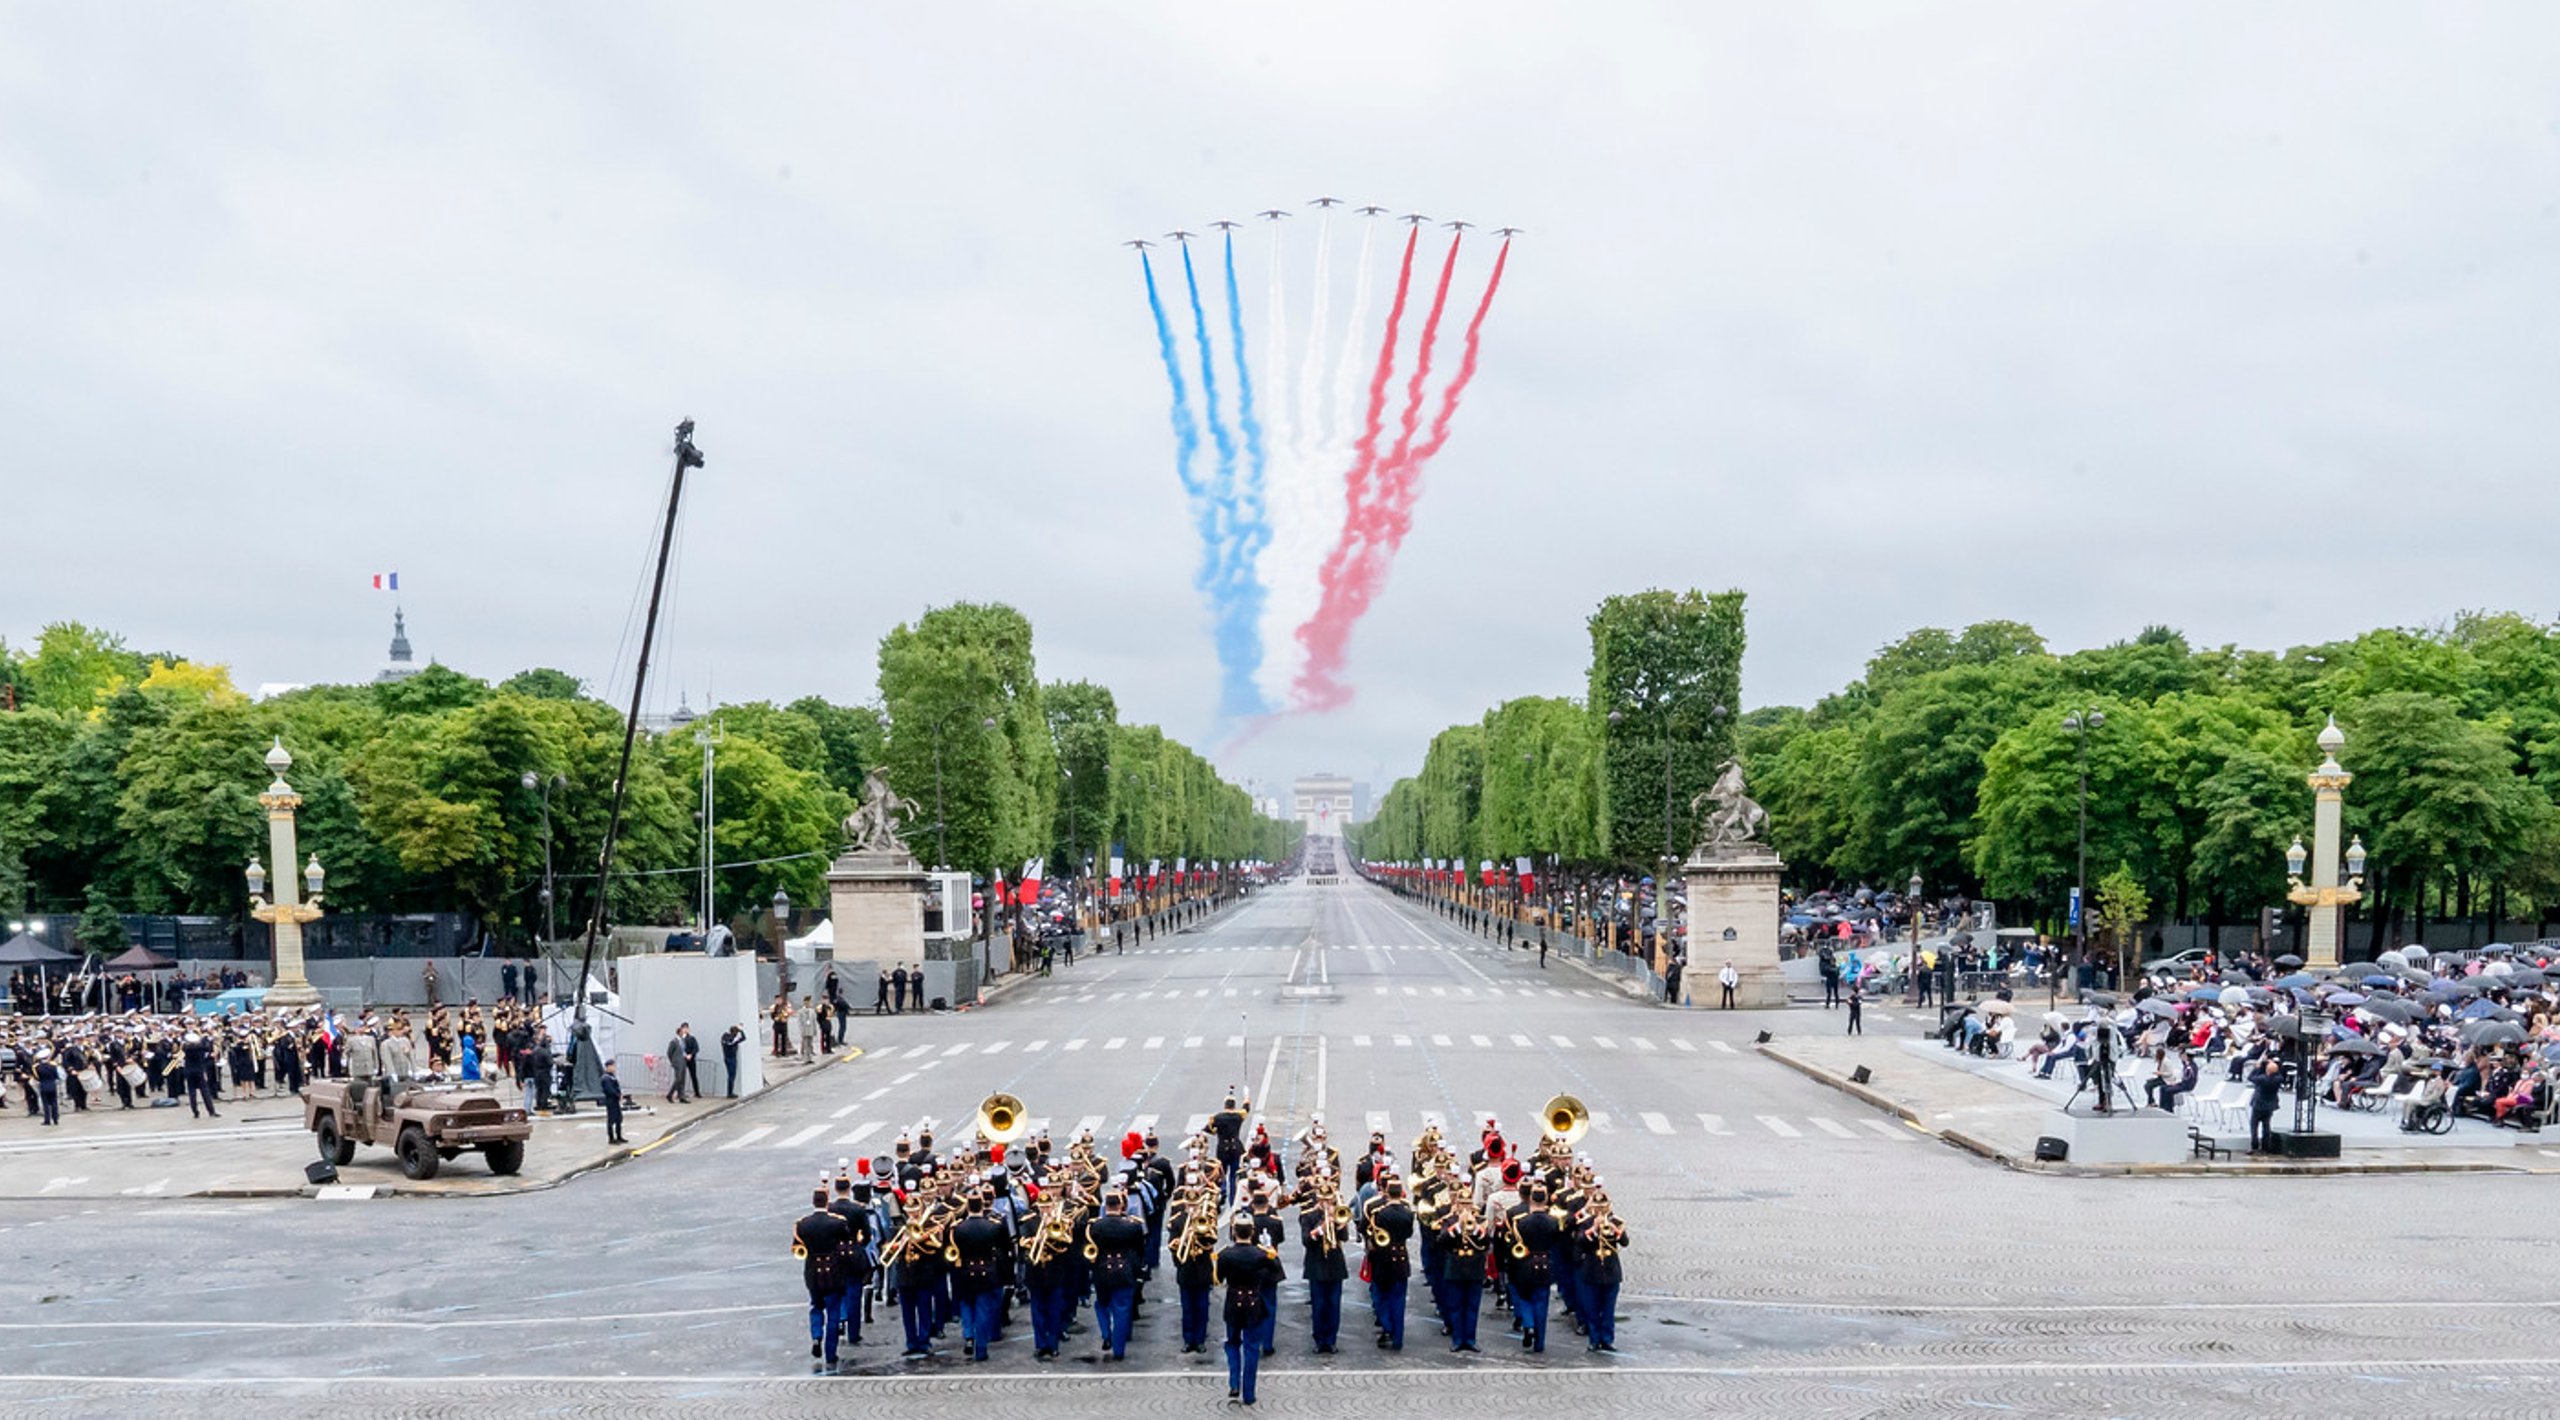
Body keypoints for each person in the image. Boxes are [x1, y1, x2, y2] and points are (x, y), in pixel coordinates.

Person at [1215, 1213, 1282, 1406]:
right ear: (1252, 1232)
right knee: (1252, 1347)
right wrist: (1269, 1251)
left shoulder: (1226, 1254)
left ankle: (1234, 1381)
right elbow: (1275, 1269)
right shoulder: (1260, 1254)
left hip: (1233, 1300)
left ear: (1234, 1231)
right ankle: (1249, 1392)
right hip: (1254, 1300)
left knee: (1232, 1343)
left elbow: (1218, 1278)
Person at [794, 1182, 854, 1372]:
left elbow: (796, 1246)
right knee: (834, 1313)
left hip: (812, 1271)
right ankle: (830, 1352)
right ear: (827, 1202)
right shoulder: (837, 1222)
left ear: (813, 1202)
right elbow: (847, 1240)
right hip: (833, 1272)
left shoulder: (803, 1224)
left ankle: (816, 1336)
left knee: (816, 1307)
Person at [949, 1191, 1009, 1362]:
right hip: (987, 1271)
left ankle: (968, 1335)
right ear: (983, 1206)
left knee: (966, 1306)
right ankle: (981, 1348)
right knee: (983, 1310)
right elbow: (1002, 1249)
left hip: (965, 1272)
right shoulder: (993, 1226)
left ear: (967, 1206)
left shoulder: (958, 1228)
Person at [1088, 1188, 1147, 1361]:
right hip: (1124, 1271)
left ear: (1105, 1206)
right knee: (1122, 1311)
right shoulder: (1133, 1226)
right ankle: (1119, 1349)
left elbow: (1090, 1249)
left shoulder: (1096, 1225)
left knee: (1101, 1305)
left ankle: (1106, 1333)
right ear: (1121, 1205)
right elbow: (1139, 1250)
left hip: (1102, 1270)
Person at [1363, 1174, 1415, 1350]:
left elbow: (1371, 1234)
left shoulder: (1380, 1213)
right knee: (1398, 1300)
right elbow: (1408, 1234)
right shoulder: (1408, 1213)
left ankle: (1387, 1328)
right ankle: (1398, 1338)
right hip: (1401, 1258)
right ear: (1401, 1193)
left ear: (1386, 1192)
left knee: (1381, 1297)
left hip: (1383, 1260)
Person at [2247, 1054, 2284, 1154]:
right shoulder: (2278, 1079)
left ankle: (2254, 1145)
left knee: (2254, 1126)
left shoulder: (2262, 1079)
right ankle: (2265, 1146)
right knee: (2266, 1126)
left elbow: (2251, 1077)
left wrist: (2258, 1067)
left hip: (2258, 1104)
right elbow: (2278, 1072)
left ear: (2267, 1071)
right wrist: (2271, 1065)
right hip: (2270, 1105)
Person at [600, 1059, 627, 1145]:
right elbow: (609, 1090)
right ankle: (611, 1138)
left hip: (615, 1100)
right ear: (608, 1066)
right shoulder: (606, 1078)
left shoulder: (612, 1076)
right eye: (613, 1066)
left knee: (618, 1119)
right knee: (611, 1120)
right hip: (610, 1100)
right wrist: (617, 1095)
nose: (614, 1068)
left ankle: (619, 1136)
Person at [664, 1026, 691, 1104]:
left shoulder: (682, 1041)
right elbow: (669, 1053)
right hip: (677, 1062)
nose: (684, 1033)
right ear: (679, 1032)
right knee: (678, 1079)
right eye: (682, 1032)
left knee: (682, 1079)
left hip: (683, 1061)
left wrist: (686, 1056)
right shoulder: (674, 1042)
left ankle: (681, 1096)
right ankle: (670, 1094)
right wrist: (672, 1061)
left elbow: (683, 1051)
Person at [679, 1023, 704, 1099]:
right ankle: (680, 1093)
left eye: (687, 1028)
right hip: (682, 1059)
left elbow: (696, 1048)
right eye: (684, 1028)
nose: (685, 1029)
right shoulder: (679, 1039)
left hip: (691, 1059)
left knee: (693, 1075)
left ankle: (697, 1092)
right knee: (681, 1076)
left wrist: (691, 1054)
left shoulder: (692, 1038)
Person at [721, 1024, 745, 1097]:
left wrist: (740, 1030)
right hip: (730, 1058)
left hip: (730, 1058)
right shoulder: (727, 1037)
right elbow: (730, 1042)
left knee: (732, 1075)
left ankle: (730, 1092)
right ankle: (730, 1093)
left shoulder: (731, 1038)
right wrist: (738, 1032)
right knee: (731, 1075)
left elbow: (744, 1038)